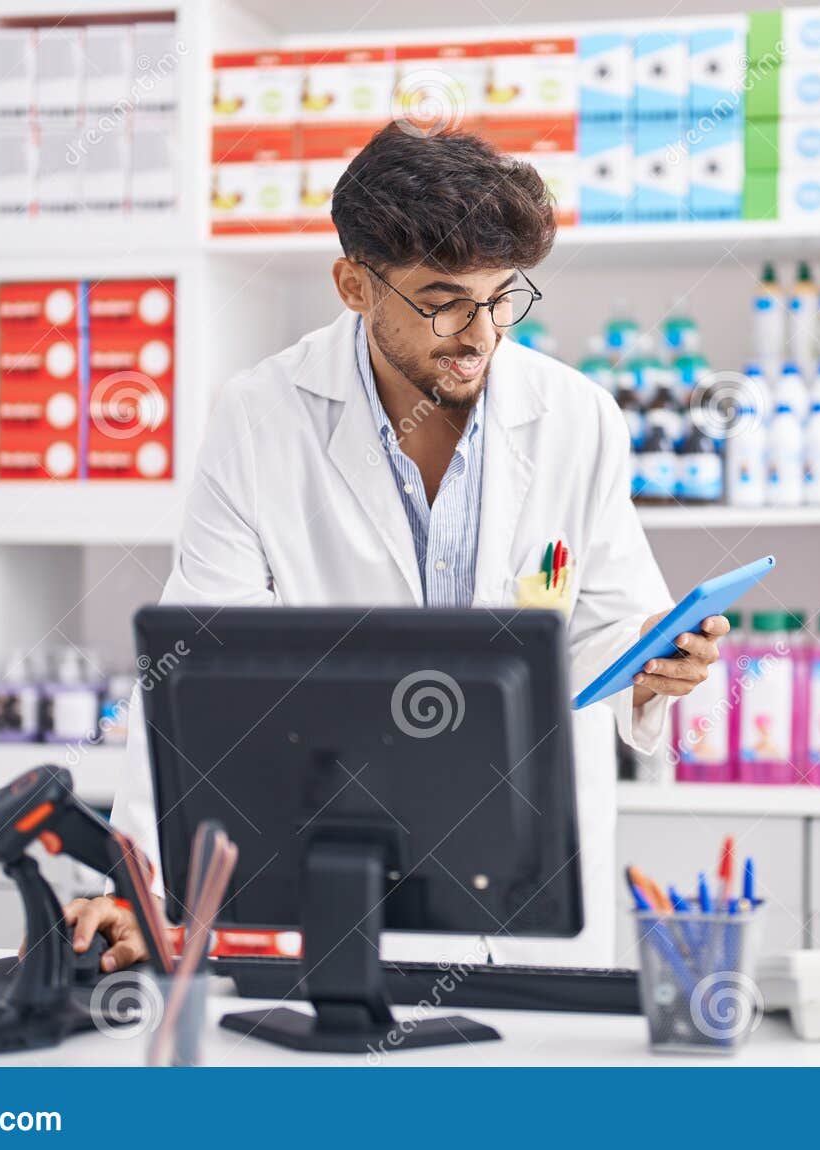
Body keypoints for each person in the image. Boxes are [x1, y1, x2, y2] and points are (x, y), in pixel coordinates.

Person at [68, 123, 728, 972]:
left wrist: (654, 659)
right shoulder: (261, 417)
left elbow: (606, 626)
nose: (481, 334)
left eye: (501, 297)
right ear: (354, 285)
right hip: (345, 845)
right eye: (443, 301)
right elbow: (196, 667)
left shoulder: (578, 416)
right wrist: (142, 885)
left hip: (530, 858)